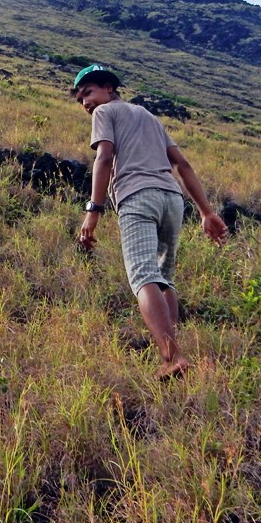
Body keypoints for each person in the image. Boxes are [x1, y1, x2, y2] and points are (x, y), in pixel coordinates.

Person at [71, 64, 227, 378]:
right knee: (163, 278)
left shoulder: (105, 113)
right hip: (171, 200)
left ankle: (172, 357)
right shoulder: (148, 116)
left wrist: (93, 211)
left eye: (88, 92)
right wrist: (207, 211)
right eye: (80, 99)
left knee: (142, 275)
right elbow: (182, 164)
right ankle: (173, 350)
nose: (85, 102)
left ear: (108, 88)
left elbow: (103, 157)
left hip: (137, 196)